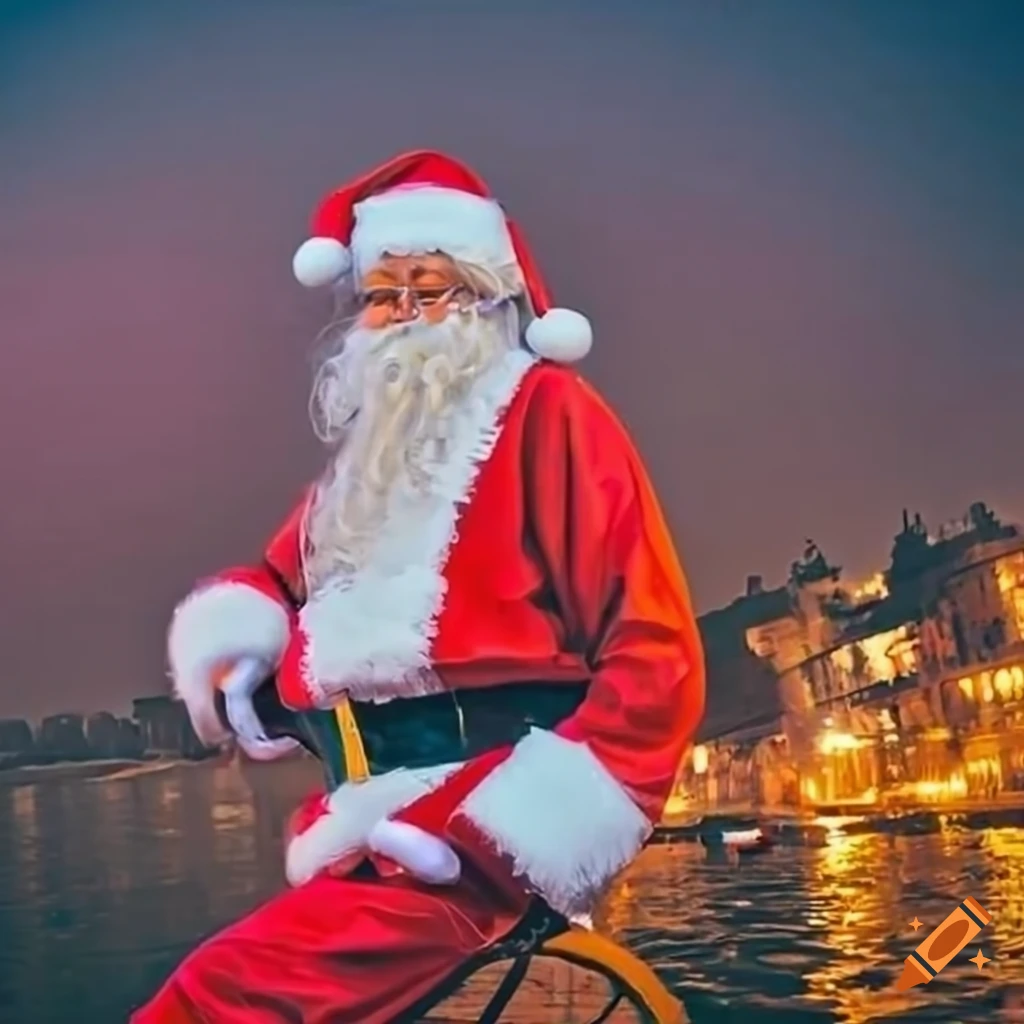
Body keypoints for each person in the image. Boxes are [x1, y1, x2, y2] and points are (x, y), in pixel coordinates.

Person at [132, 149, 706, 1023]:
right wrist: (240, 648)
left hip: (476, 848)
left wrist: (520, 825)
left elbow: (655, 651)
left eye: (428, 289)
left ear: (486, 298)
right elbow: (278, 579)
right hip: (364, 835)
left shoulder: (554, 416)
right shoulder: (368, 469)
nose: (401, 314)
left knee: (219, 993)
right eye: (380, 294)